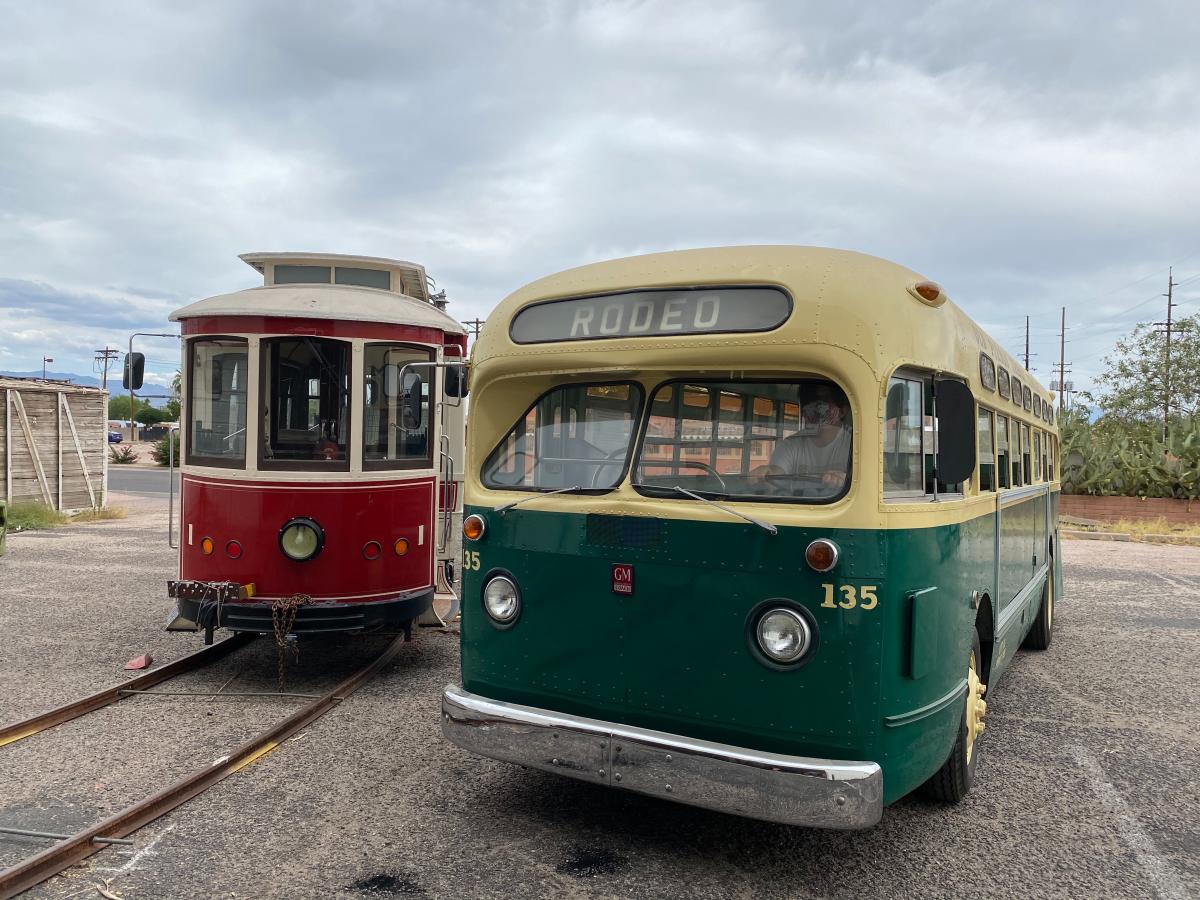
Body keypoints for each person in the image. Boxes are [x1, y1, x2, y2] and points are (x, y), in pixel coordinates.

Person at [762, 386, 851, 493]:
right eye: (810, 402)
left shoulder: (856, 443)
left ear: (842, 411)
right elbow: (775, 473)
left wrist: (846, 480)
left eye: (825, 402)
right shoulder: (791, 444)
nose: (817, 409)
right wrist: (765, 474)